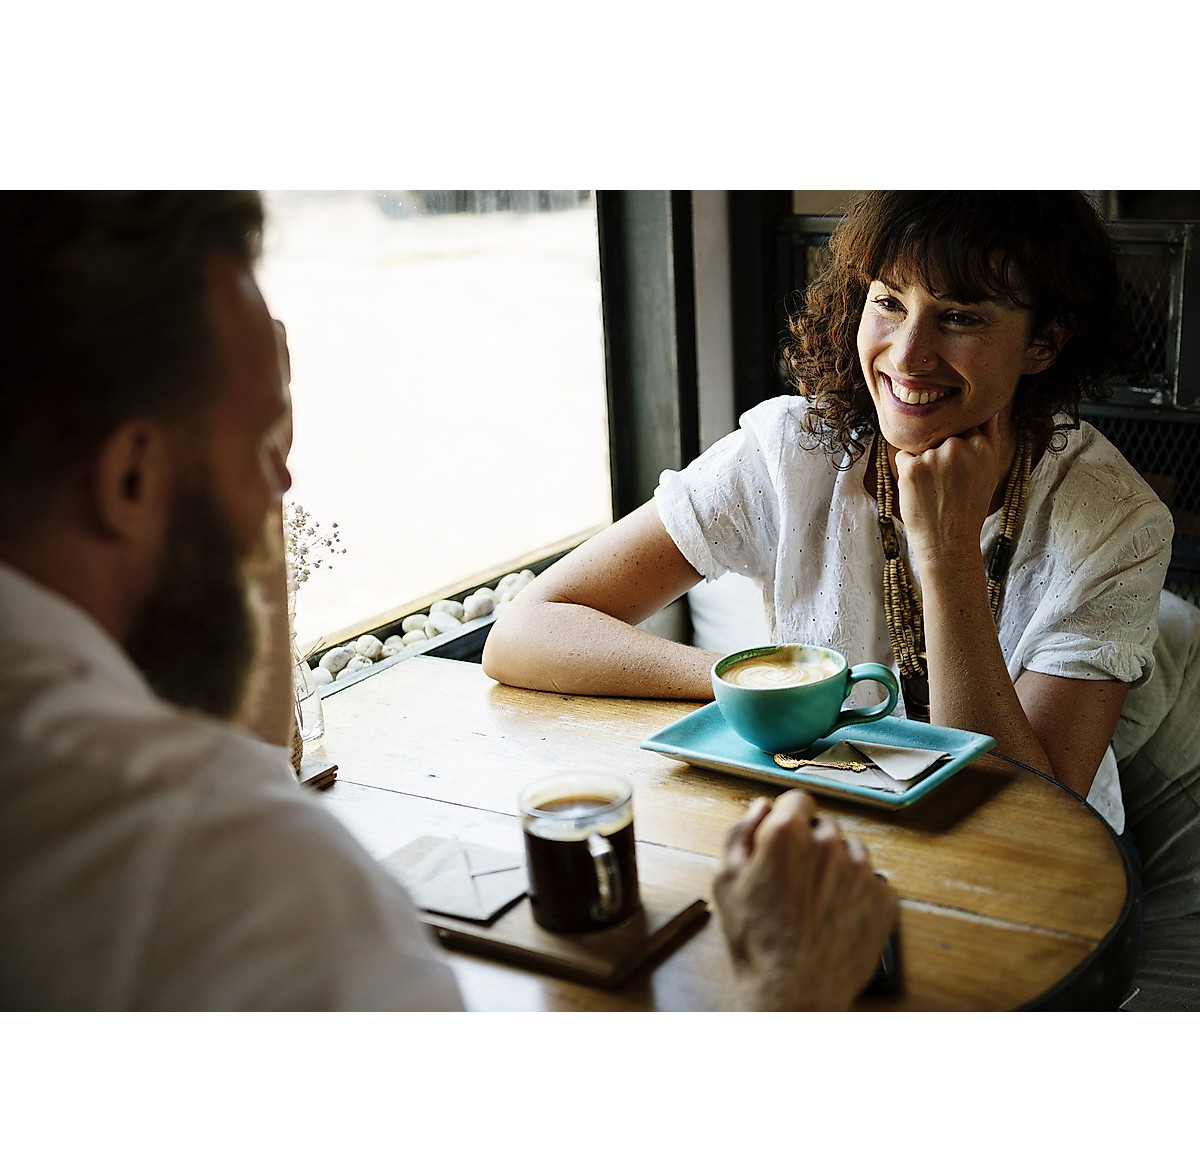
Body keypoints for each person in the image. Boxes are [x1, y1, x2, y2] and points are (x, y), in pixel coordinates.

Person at [0, 191, 896, 1011]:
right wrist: (787, 991)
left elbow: (234, 759)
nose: (284, 491)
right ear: (129, 478)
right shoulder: (250, 875)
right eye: (263, 450)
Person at [482, 191, 1175, 837]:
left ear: (1042, 344)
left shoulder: (1118, 522)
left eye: (961, 315)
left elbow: (1029, 818)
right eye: (890, 302)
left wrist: (947, 553)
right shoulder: (792, 451)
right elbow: (524, 632)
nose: (907, 356)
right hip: (828, 833)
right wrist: (769, 688)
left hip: (1044, 877)